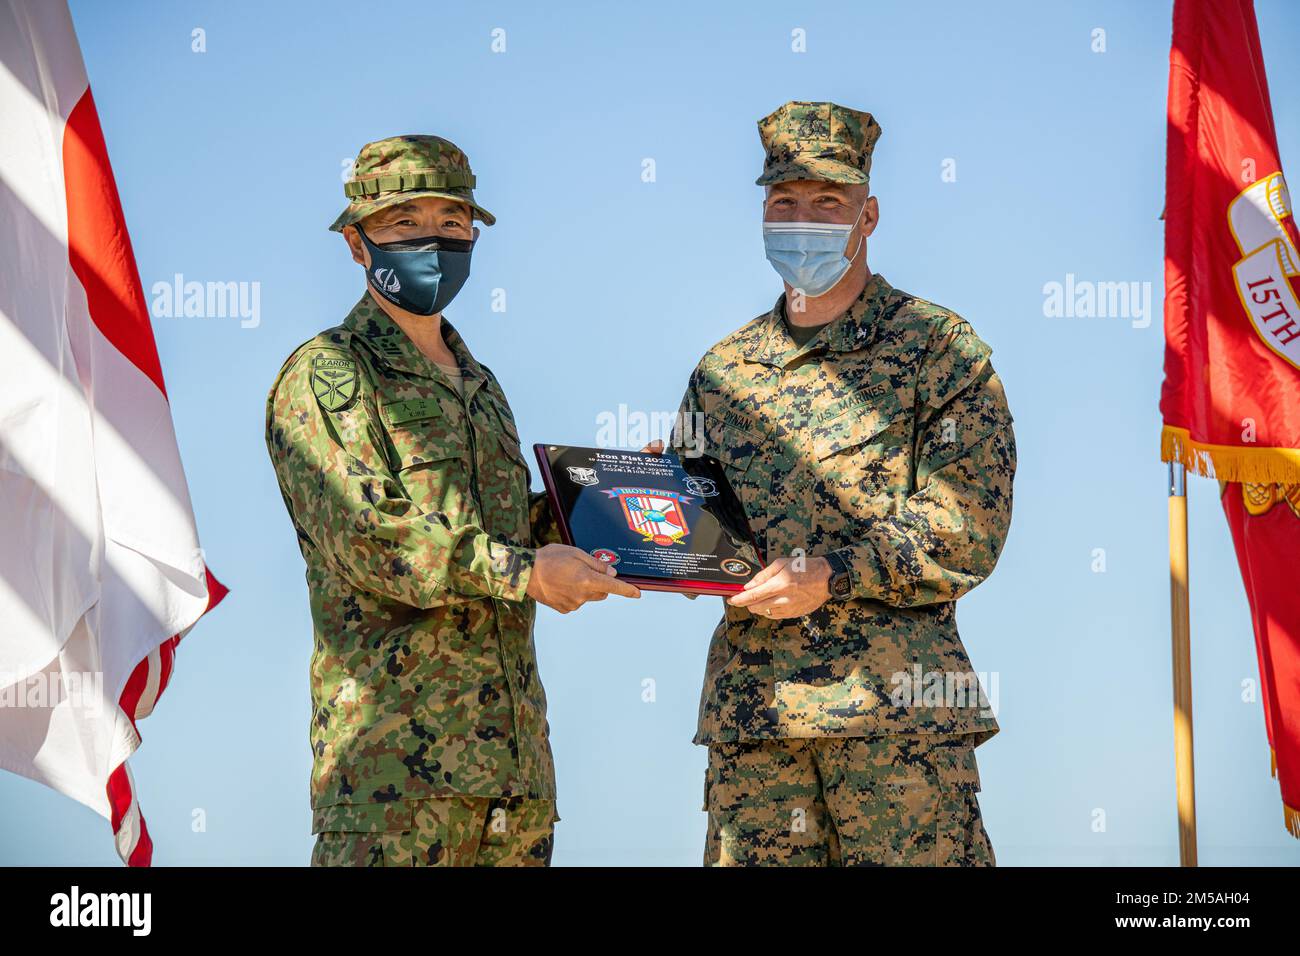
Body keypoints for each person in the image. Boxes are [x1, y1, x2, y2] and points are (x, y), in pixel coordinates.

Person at [265, 134, 639, 867]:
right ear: (356, 242)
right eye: (404, 223)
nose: (432, 241)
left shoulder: (481, 386)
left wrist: (616, 509)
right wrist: (523, 574)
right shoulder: (329, 373)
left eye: (452, 222)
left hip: (515, 779)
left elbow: (501, 532)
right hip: (396, 782)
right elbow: (372, 535)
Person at [672, 102, 1017, 866]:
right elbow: (700, 543)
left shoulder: (939, 350)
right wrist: (645, 511)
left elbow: (970, 524)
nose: (804, 219)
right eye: (784, 202)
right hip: (756, 727)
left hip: (900, 729)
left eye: (828, 202)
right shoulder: (722, 375)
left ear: (869, 215)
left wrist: (831, 573)